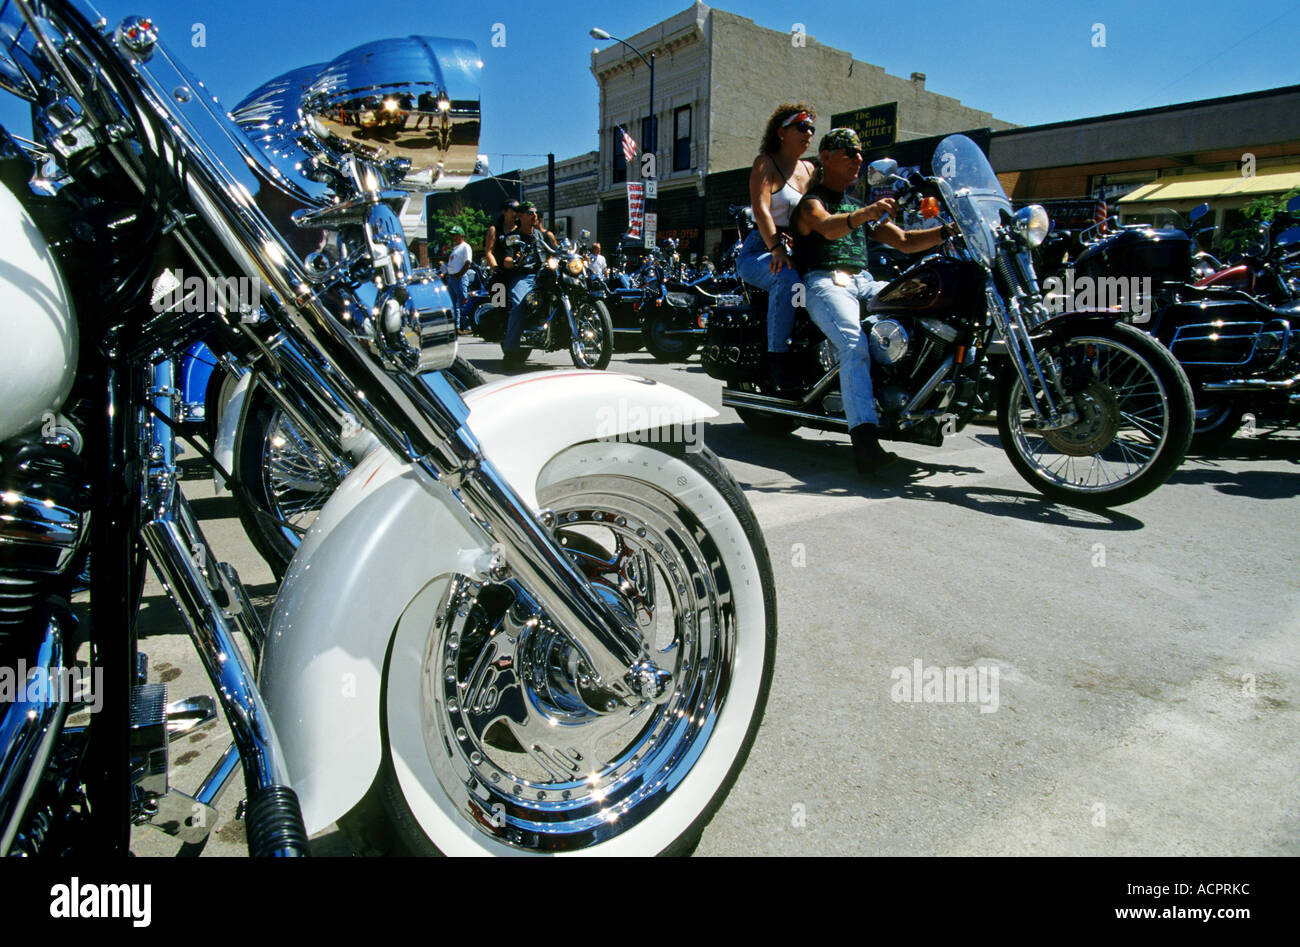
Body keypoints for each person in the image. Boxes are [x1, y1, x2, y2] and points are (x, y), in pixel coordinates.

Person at [793, 127, 955, 475]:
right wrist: (865, 214)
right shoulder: (812, 203)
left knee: (920, 300)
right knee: (853, 346)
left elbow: (906, 240)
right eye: (849, 152)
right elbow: (829, 227)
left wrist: (948, 231)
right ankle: (865, 443)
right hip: (824, 282)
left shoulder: (856, 205)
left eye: (859, 153)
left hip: (863, 281)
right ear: (826, 158)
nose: (858, 159)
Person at [736, 104, 818, 392]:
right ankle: (777, 359)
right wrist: (776, 248)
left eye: (812, 128)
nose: (808, 132)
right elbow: (761, 210)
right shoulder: (765, 163)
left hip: (800, 249)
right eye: (801, 126)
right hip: (762, 248)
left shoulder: (810, 170)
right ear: (781, 131)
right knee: (787, 278)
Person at [499, 200, 557, 369]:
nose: (534, 216)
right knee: (519, 304)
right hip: (525, 276)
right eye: (530, 213)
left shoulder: (543, 236)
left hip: (545, 275)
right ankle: (510, 351)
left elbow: (554, 253)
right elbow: (507, 261)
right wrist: (516, 260)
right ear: (521, 216)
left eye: (536, 213)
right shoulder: (513, 238)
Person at [441, 225, 473, 332]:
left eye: (454, 235)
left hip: (459, 278)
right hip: (452, 278)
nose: (452, 237)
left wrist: (460, 274)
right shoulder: (455, 248)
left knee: (463, 303)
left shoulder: (465, 247)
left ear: (460, 235)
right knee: (454, 304)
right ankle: (457, 327)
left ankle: (467, 326)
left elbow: (468, 262)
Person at [483, 199, 519, 270]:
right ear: (504, 212)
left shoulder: (520, 230)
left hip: (517, 269)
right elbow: (489, 252)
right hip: (500, 269)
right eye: (514, 210)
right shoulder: (495, 230)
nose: (516, 213)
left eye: (518, 210)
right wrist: (495, 269)